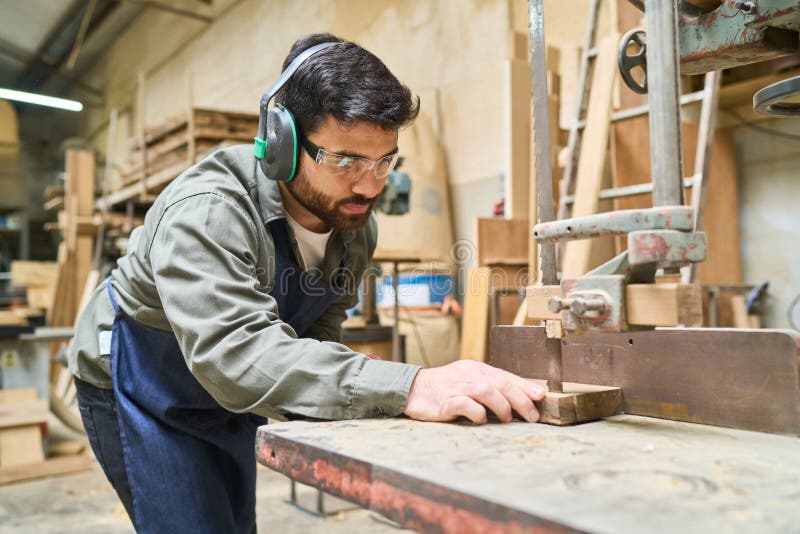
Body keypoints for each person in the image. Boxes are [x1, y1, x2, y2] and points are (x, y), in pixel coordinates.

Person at [69, 33, 545, 532]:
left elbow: (317, 330)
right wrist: (411, 385)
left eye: (385, 161)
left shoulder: (354, 227)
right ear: (283, 145)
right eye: (346, 160)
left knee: (233, 521)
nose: (370, 185)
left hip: (228, 389)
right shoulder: (209, 212)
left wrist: (365, 401)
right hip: (142, 377)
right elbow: (234, 355)